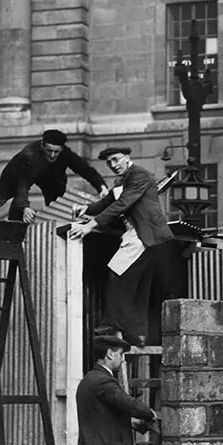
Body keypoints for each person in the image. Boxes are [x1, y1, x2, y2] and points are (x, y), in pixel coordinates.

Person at [67, 146, 175, 347]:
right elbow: (107, 202)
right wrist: (86, 209)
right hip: (138, 236)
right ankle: (137, 334)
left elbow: (121, 205)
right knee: (138, 286)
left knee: (117, 273)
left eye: (116, 160)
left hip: (144, 236)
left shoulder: (140, 176)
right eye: (109, 163)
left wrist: (91, 224)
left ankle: (113, 324)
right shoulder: (120, 181)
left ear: (127, 157)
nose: (114, 165)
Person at [0, 129, 110, 222]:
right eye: (49, 151)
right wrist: (25, 207)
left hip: (51, 175)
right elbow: (22, 184)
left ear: (61, 149)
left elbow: (85, 170)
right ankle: (14, 228)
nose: (52, 155)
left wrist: (101, 187)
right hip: (17, 176)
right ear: (42, 146)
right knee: (19, 206)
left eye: (56, 152)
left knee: (57, 202)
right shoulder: (29, 156)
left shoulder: (66, 154)